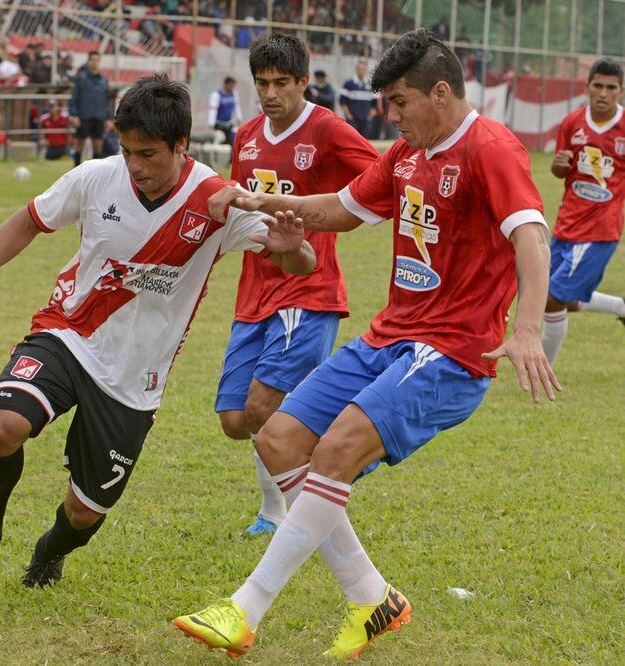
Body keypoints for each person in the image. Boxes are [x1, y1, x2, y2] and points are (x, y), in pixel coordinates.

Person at [175, 29, 560, 659]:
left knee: (337, 447)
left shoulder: (491, 149)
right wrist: (265, 204)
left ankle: (244, 609)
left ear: (441, 92)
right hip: (392, 335)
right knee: (277, 438)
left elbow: (532, 238)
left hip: (454, 353)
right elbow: (341, 209)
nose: (391, 114)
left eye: (400, 101)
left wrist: (525, 330)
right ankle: (373, 598)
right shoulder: (407, 154)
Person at [0, 73, 315, 589]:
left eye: (148, 154)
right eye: (127, 151)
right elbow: (31, 219)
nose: (135, 166)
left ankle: (50, 552)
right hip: (68, 332)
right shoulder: (97, 177)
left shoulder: (215, 199)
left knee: (83, 513)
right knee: (2, 427)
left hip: (134, 376)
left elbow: (300, 262)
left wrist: (292, 243)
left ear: (181, 144)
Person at [216, 33, 379, 537]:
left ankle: (278, 516)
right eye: (262, 83)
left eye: (282, 83)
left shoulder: (328, 129)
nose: (271, 93)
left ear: (303, 82)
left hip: (310, 288)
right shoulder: (245, 136)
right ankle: (339, 430)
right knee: (236, 419)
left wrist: (317, 215)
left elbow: (379, 179)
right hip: (254, 289)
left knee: (265, 406)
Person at [541, 58, 625, 366]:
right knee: (560, 298)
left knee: (551, 297)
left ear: (621, 91)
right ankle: (620, 306)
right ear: (587, 87)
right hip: (566, 226)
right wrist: (556, 166)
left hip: (601, 231)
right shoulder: (572, 122)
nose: (604, 93)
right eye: (598, 86)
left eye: (611, 87)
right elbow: (560, 172)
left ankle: (543, 368)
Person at [68, 51, 111, 166]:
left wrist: (108, 118)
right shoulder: (81, 78)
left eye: (97, 60)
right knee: (79, 144)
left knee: (97, 145)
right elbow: (74, 98)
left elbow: (107, 100)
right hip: (84, 116)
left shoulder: (104, 80)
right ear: (88, 61)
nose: (95, 62)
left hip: (99, 116)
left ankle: (95, 170)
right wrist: (74, 114)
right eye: (92, 60)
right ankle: (75, 168)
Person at [339, 58, 377, 140]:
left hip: (365, 120)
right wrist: (349, 116)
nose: (361, 71)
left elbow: (375, 104)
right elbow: (342, 102)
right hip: (353, 120)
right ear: (356, 69)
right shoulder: (348, 83)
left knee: (365, 141)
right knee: (352, 141)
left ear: (366, 70)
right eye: (360, 68)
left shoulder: (371, 84)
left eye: (363, 69)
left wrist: (369, 117)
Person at [207, 76, 242, 145]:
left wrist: (239, 118)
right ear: (226, 84)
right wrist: (211, 124)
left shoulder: (234, 93)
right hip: (219, 125)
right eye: (231, 85)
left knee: (230, 144)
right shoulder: (216, 95)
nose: (232, 88)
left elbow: (237, 106)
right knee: (219, 143)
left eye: (234, 86)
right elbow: (213, 110)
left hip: (229, 124)